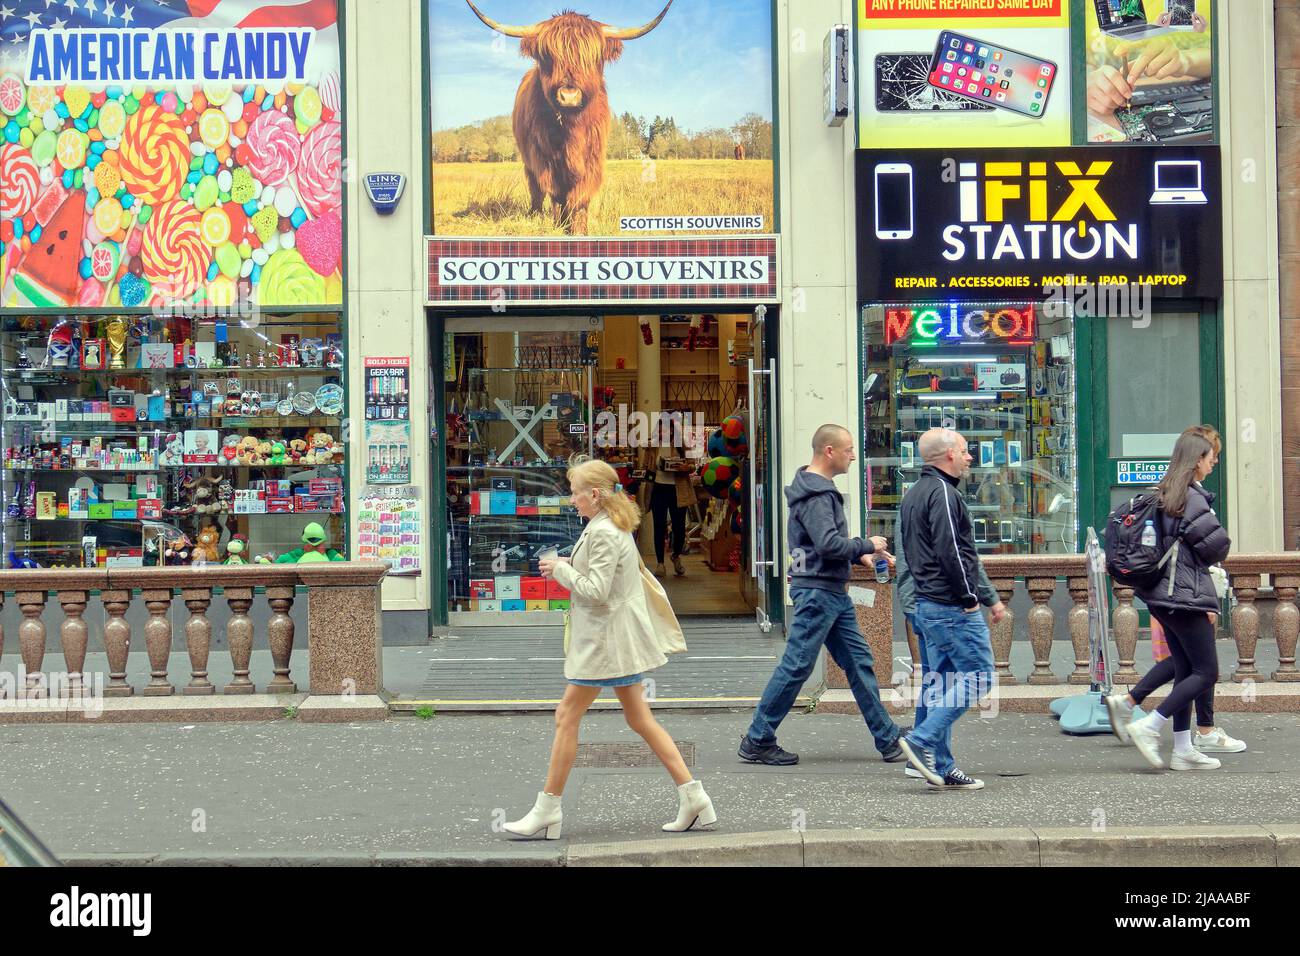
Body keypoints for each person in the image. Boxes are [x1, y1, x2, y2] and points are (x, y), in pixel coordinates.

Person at [503, 457, 715, 839]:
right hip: (615, 641)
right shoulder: (610, 526)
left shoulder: (602, 532)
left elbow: (597, 592)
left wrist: (560, 570)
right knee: (638, 719)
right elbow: (608, 579)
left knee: (567, 716)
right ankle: (693, 795)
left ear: (595, 495)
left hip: (604, 643)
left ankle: (547, 809)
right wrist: (572, 564)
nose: (572, 500)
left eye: (575, 493)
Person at [738, 424, 905, 766]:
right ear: (829, 451)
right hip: (818, 591)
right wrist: (866, 544)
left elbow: (822, 543)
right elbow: (828, 545)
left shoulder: (814, 489)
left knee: (858, 662)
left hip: (827, 589)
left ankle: (887, 739)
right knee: (797, 665)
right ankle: (757, 739)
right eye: (848, 450)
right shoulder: (818, 494)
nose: (853, 456)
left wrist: (856, 554)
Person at [1105, 426, 1246, 757]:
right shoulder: (1191, 497)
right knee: (1207, 672)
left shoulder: (1165, 491)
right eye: (1212, 458)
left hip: (1160, 595)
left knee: (1185, 669)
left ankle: (1183, 749)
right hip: (1182, 596)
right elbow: (1217, 546)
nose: (1213, 464)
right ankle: (1150, 725)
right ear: (1197, 459)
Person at [897, 428, 999, 791]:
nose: (970, 457)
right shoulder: (943, 493)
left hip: (927, 604)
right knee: (981, 676)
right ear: (948, 456)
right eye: (965, 450)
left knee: (941, 682)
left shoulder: (913, 494)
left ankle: (943, 766)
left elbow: (914, 554)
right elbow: (952, 551)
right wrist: (971, 597)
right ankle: (920, 738)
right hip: (950, 606)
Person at [649, 442, 691, 577]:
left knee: (679, 527)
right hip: (658, 489)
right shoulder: (653, 446)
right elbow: (647, 467)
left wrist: (685, 467)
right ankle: (660, 563)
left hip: (677, 490)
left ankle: (676, 555)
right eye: (661, 429)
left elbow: (692, 465)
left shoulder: (681, 445)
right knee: (659, 526)